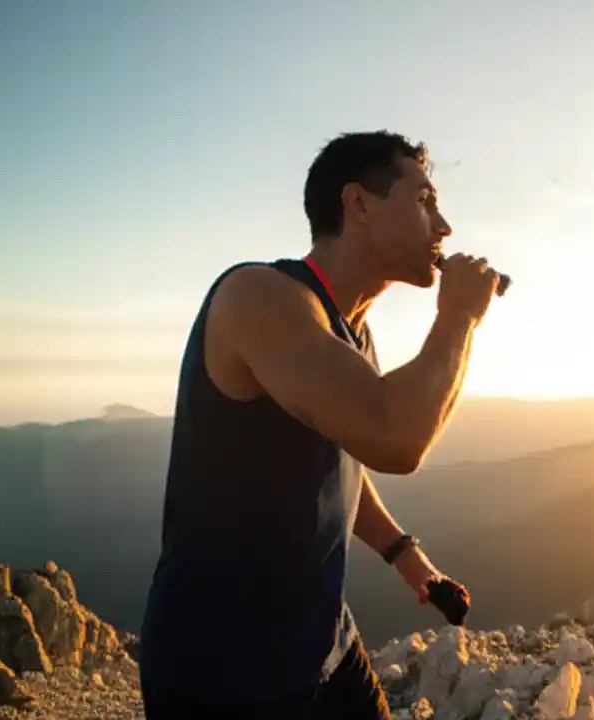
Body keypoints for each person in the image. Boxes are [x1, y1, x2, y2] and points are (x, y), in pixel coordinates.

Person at [138, 130, 501, 718]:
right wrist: (459, 315)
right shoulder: (257, 296)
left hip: (322, 643)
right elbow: (396, 437)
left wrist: (404, 555)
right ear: (358, 203)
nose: (444, 226)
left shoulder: (351, 332)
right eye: (424, 201)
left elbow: (341, 454)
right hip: (220, 673)